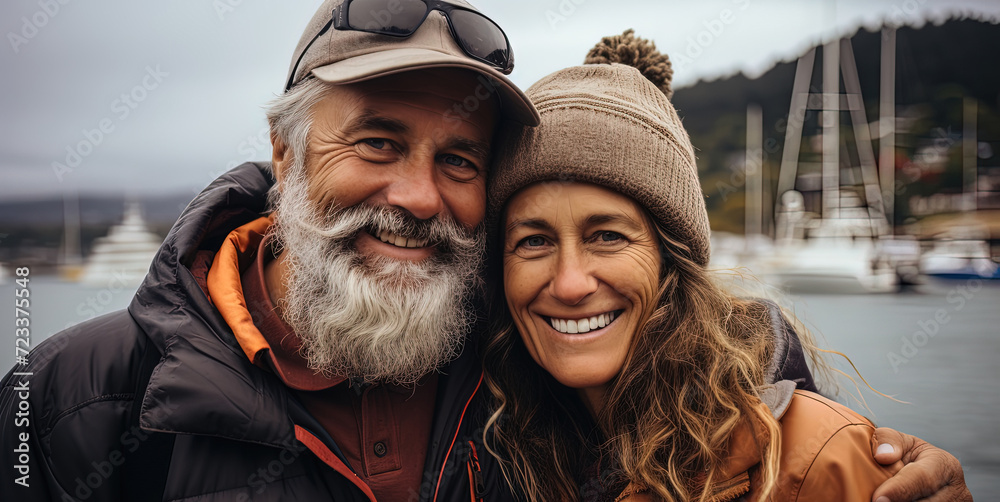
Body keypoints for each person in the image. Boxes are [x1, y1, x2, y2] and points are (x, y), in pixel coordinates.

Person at [0, 2, 968, 500]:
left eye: (458, 159)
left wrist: (853, 460)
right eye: (377, 141)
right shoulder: (76, 399)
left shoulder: (527, 361)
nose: (417, 196)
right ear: (284, 149)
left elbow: (697, 378)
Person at [482, 31, 974, 502]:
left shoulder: (821, 460)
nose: (570, 283)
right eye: (534, 241)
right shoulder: (490, 445)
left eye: (608, 236)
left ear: (672, 260)